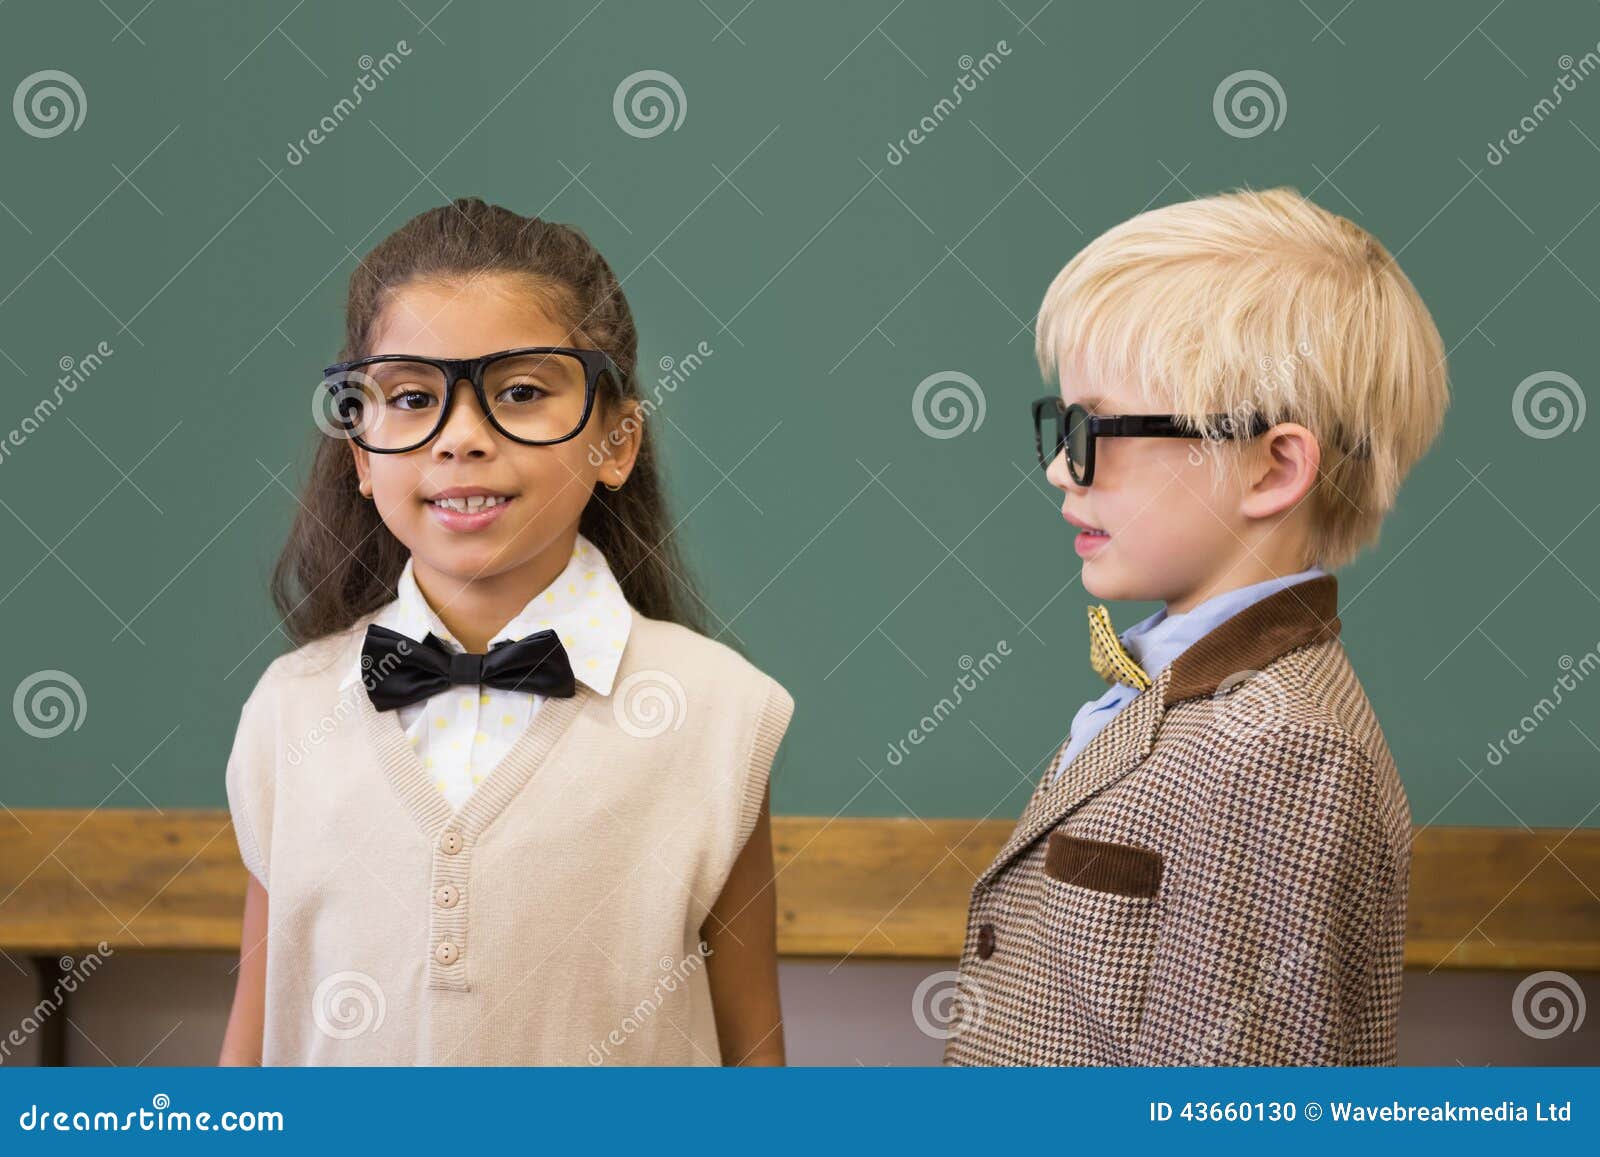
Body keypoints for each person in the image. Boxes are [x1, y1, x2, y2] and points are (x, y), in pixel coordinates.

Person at [219, 198, 794, 1066]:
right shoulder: (288, 712)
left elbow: (755, 1061)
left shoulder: (717, 712)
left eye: (521, 393)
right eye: (411, 397)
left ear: (617, 439)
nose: (461, 438)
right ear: (359, 454)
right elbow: (253, 1049)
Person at [945, 187, 1449, 1065]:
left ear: (1271, 466)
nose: (1064, 467)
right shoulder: (1189, 695)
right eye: (1062, 426)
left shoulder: (1282, 752)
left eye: (1097, 429)